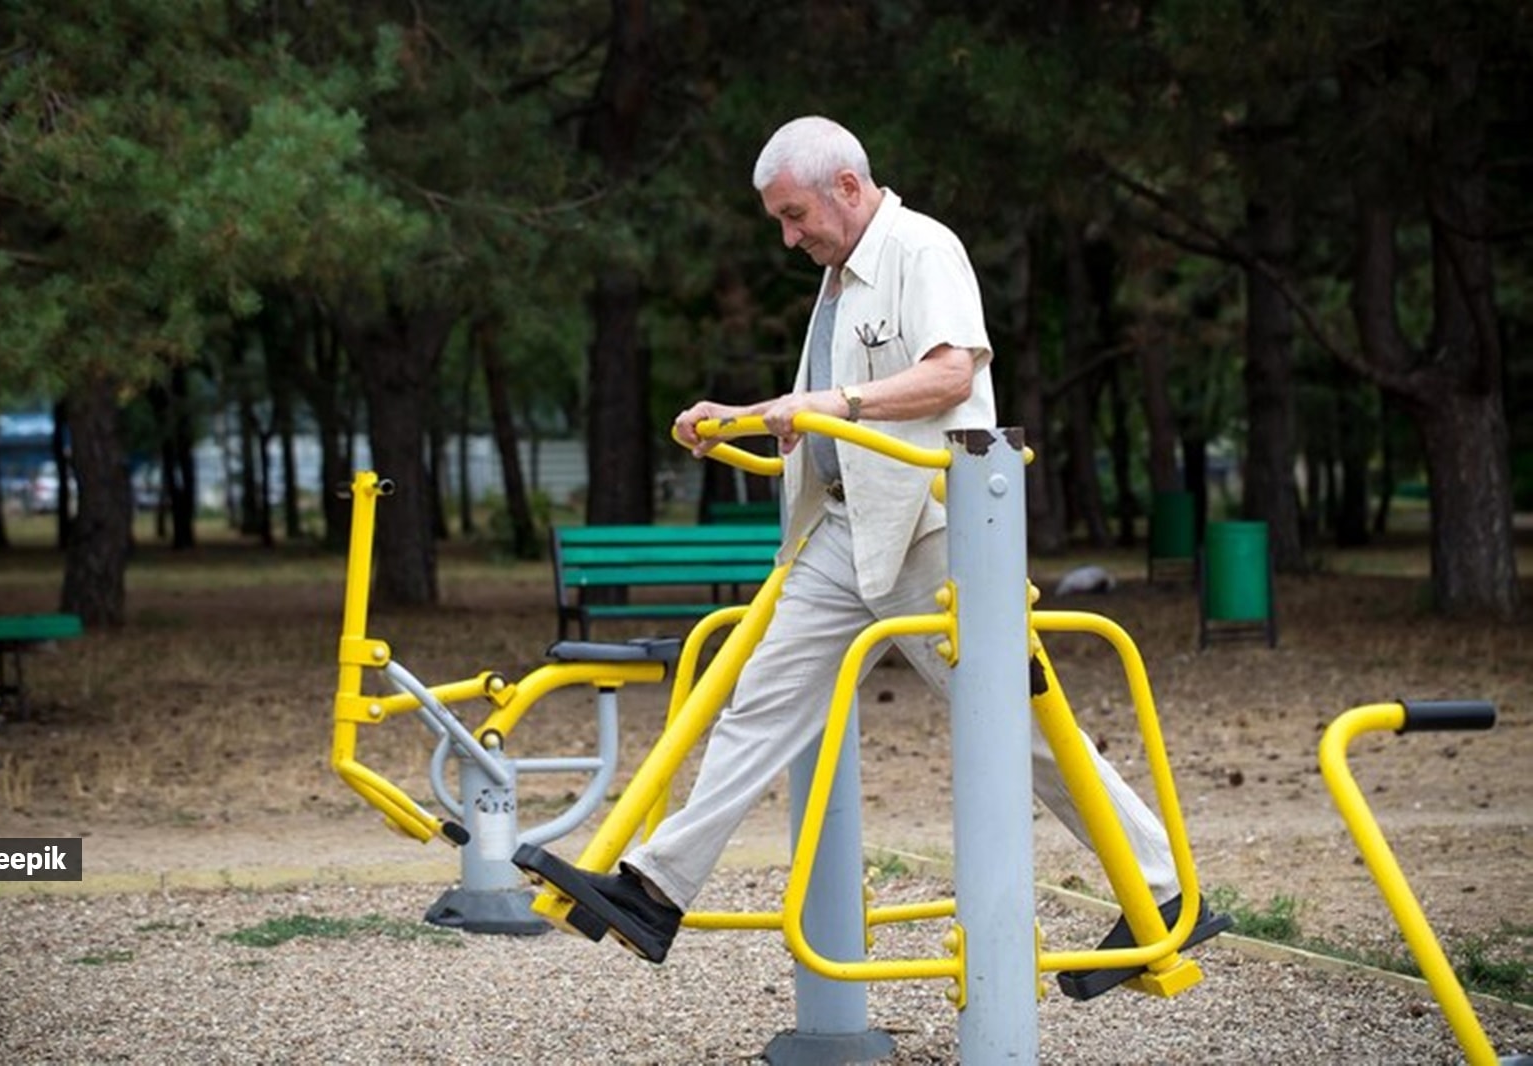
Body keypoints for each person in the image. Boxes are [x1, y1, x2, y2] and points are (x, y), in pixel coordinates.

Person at [515, 115, 1227, 999]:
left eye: (793, 213)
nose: (788, 235)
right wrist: (735, 418)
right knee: (758, 705)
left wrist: (831, 401)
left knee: (1026, 736)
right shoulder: (839, 280)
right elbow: (821, 411)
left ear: (847, 187)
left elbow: (949, 376)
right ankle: (658, 891)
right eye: (778, 219)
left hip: (935, 533)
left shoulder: (922, 249)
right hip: (843, 532)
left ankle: (1165, 893)